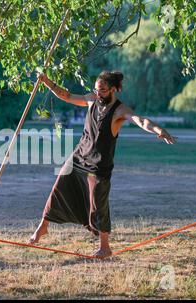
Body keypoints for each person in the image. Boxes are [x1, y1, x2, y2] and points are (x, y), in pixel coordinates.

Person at [29, 70, 177, 259]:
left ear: (113, 89)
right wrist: (46, 81)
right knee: (59, 187)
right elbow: (65, 95)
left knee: (98, 204)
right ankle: (43, 228)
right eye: (97, 90)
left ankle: (105, 247)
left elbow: (141, 121)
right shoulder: (91, 99)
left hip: (99, 166)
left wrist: (158, 129)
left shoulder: (120, 110)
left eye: (103, 91)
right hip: (79, 157)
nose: (98, 94)